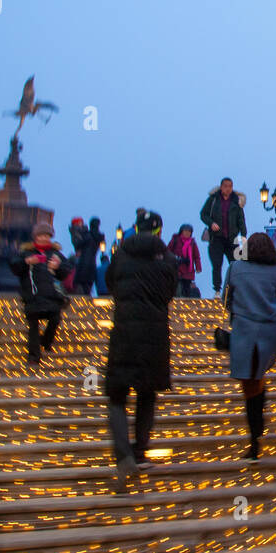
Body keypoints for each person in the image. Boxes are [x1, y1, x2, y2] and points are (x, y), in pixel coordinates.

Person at [105, 209, 179, 493]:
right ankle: (140, 451)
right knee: (147, 393)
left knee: (116, 396)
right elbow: (170, 292)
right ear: (158, 231)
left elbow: (111, 284)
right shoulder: (167, 260)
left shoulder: (121, 256)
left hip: (124, 332)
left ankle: (123, 455)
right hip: (155, 333)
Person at [224, 233, 276, 462]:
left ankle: (255, 439)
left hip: (245, 332)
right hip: (269, 332)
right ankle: (257, 431)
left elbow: (226, 300)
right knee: (257, 379)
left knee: (249, 386)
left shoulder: (235, 268)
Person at [9, 222, 71, 366]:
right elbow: (14, 266)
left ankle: (46, 342)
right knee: (33, 327)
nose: (44, 238)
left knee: (55, 319)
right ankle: (33, 357)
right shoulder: (26, 252)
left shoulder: (56, 254)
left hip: (52, 296)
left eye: (47, 235)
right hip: (33, 296)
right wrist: (26, 262)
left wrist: (58, 266)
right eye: (41, 235)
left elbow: (66, 270)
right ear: (35, 237)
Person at [200, 178, 247, 298]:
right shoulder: (213, 199)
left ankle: (234, 290)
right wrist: (211, 223)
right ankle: (217, 289)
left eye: (230, 186)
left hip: (232, 238)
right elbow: (203, 214)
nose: (228, 188)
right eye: (225, 186)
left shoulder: (236, 201)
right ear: (221, 187)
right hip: (216, 238)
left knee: (235, 264)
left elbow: (241, 219)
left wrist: (243, 235)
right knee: (217, 264)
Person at [72, 217, 106, 296]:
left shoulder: (88, 235)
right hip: (92, 264)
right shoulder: (99, 237)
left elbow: (77, 245)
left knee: (80, 286)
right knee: (88, 286)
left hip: (84, 263)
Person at [167, 223, 203, 298]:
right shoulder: (175, 240)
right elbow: (167, 252)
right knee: (177, 288)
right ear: (181, 231)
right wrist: (176, 259)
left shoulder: (192, 243)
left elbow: (197, 256)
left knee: (187, 290)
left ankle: (185, 305)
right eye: (185, 231)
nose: (187, 233)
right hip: (176, 269)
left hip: (188, 271)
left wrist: (198, 267)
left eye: (189, 231)